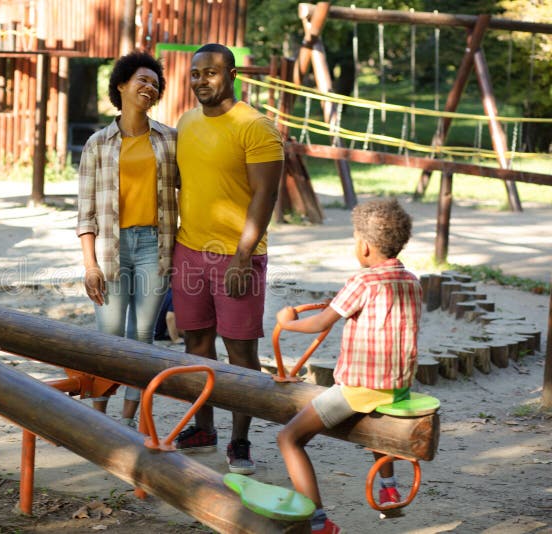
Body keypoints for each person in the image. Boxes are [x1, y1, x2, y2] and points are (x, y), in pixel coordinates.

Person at [275, 198, 421, 534]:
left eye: (355, 239)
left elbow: (319, 323)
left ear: (366, 247)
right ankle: (388, 487)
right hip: (397, 387)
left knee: (288, 438)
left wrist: (287, 322)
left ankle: (317, 522)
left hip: (359, 390)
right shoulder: (412, 280)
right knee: (376, 423)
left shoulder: (363, 281)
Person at [171, 43, 284, 475]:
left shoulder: (256, 127)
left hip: (239, 257)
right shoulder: (186, 122)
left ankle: (239, 442)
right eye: (196, 73)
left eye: (211, 73)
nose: (201, 80)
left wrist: (242, 257)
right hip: (189, 250)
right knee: (196, 344)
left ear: (232, 74)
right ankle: (204, 429)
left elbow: (266, 194)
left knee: (240, 353)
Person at [76, 51, 178, 427]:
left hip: (155, 245)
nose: (149, 87)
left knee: (142, 341)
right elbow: (85, 212)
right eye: (142, 80)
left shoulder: (169, 140)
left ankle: (127, 422)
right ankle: (97, 419)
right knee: (109, 337)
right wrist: (90, 265)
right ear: (121, 85)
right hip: (109, 248)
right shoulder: (98, 143)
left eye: (155, 83)